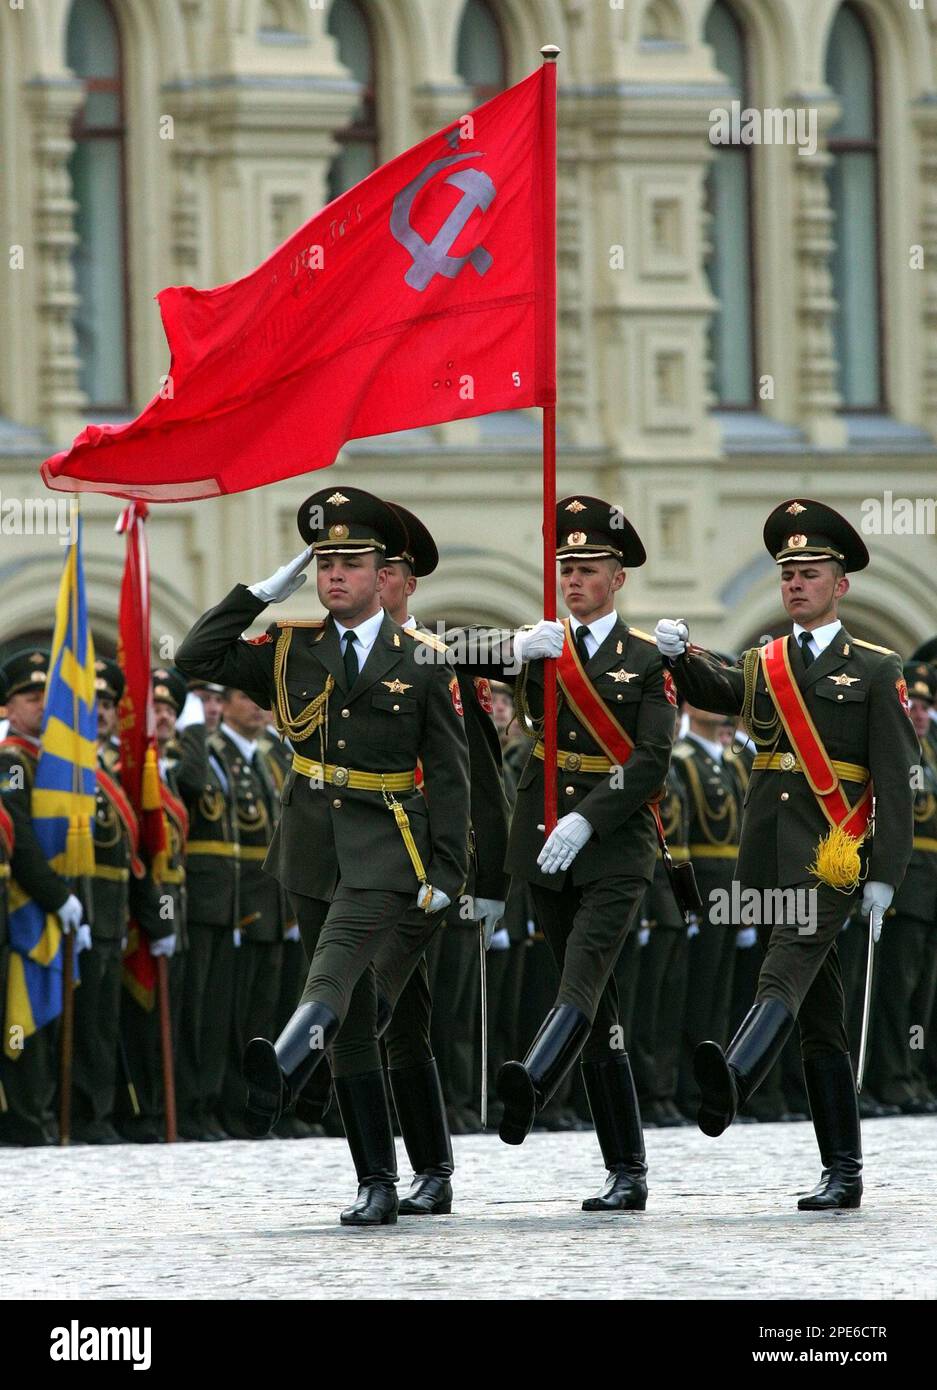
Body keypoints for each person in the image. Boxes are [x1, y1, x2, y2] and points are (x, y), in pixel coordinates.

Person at [175, 486, 471, 1224]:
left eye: (351, 562)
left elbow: (456, 775)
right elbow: (192, 657)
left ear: (381, 574)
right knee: (354, 1020)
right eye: (324, 562)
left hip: (385, 850)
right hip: (308, 850)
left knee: (333, 979)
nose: (335, 574)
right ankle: (375, 1180)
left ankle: (281, 1064)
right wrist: (256, 594)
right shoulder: (288, 647)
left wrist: (449, 872)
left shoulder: (424, 662)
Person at [655, 497, 917, 1210]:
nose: (795, 584)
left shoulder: (871, 668)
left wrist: (885, 875)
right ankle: (843, 1171)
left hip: (833, 853)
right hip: (766, 854)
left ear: (841, 584)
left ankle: (733, 1079)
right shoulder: (762, 661)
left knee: (787, 962)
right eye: (788, 574)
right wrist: (680, 658)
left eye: (809, 573)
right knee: (818, 1015)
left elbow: (894, 778)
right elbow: (718, 692)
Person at [490, 495, 676, 1212]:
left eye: (588, 568)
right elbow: (446, 666)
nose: (572, 579)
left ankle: (533, 1080)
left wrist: (588, 819)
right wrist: (510, 657)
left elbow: (652, 759)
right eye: (565, 566)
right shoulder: (542, 648)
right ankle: (625, 1170)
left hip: (613, 850)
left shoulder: (644, 660)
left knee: (583, 973)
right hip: (543, 848)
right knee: (600, 1012)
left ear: (616, 579)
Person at [0, 649, 86, 1145]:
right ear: (9, 707)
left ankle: (47, 1112)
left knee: (51, 1010)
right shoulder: (11, 761)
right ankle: (27, 1116)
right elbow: (23, 840)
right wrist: (57, 898)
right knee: (24, 1017)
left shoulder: (52, 760)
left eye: (45, 697)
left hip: (53, 904)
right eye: (29, 698)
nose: (40, 706)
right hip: (27, 906)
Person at [865, 662, 937, 1114]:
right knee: (896, 989)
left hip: (930, 888)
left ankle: (911, 1075)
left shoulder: (929, 752)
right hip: (906, 885)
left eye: (928, 704)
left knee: (922, 993)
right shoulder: (898, 747)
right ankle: (890, 1077)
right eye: (915, 703)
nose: (923, 712)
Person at [172, 679, 240, 1142]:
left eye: (217, 700)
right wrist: (191, 728)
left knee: (216, 1014)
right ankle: (188, 1103)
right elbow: (193, 785)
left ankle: (207, 1101)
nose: (211, 709)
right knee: (192, 1012)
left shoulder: (217, 755)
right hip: (194, 903)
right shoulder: (189, 754)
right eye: (201, 701)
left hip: (226, 905)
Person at [671, 698, 745, 1117]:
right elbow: (684, 836)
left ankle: (715, 1086)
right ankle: (689, 1087)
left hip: (730, 888)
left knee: (720, 992)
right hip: (703, 887)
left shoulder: (724, 762)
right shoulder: (684, 759)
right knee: (696, 994)